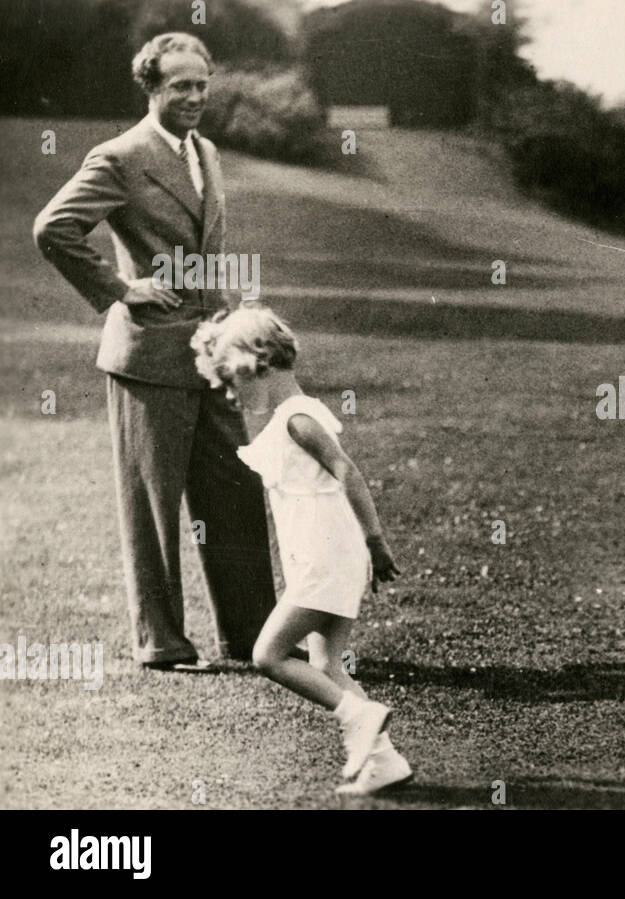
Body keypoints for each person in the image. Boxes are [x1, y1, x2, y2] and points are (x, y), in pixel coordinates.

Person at [32, 33, 276, 671]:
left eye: (201, 85)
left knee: (236, 493)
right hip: (148, 358)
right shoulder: (118, 157)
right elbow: (53, 228)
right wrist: (121, 290)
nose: (194, 97)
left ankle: (253, 638)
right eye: (180, 87)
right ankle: (162, 642)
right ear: (151, 87)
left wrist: (232, 323)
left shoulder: (209, 152)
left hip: (214, 356)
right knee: (153, 506)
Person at [191, 305, 409, 795]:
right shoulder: (290, 419)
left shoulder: (297, 419)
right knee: (327, 667)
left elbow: (347, 472)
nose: (230, 395)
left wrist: (376, 543)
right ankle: (384, 760)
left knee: (267, 655)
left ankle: (360, 714)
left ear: (255, 364)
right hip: (328, 559)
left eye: (229, 381)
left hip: (325, 561)